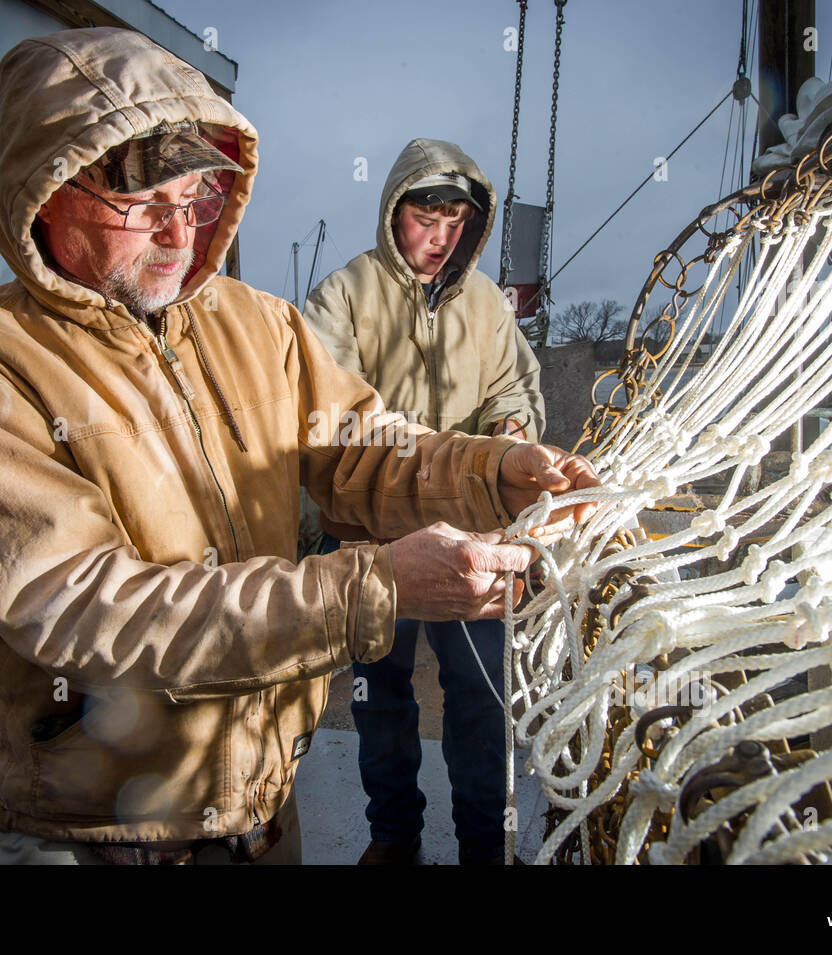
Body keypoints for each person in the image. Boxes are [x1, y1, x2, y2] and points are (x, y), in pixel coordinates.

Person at [0, 27, 595, 865]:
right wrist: (368, 587)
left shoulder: (258, 326)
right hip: (96, 839)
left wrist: (495, 471)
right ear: (44, 189)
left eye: (197, 201)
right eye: (145, 205)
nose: (180, 234)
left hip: (265, 820)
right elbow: (97, 609)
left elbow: (363, 450)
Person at [303, 140, 547, 865]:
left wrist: (514, 428)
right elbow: (330, 417)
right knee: (379, 693)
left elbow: (513, 385)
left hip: (470, 535)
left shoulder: (486, 303)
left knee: (480, 691)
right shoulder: (343, 294)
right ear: (391, 211)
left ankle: (480, 844)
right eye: (424, 217)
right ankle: (393, 833)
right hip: (368, 536)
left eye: (455, 222)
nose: (439, 237)